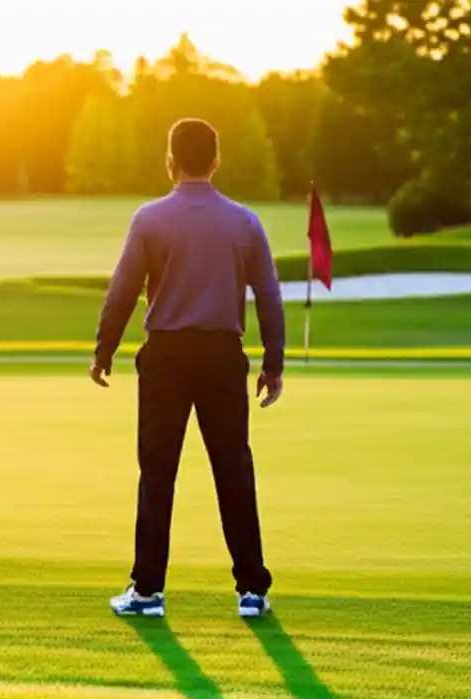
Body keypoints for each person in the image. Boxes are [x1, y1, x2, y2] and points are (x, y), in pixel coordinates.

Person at [90, 118, 285, 618]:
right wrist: (273, 363)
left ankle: (148, 590)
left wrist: (104, 349)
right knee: (233, 470)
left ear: (170, 160)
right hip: (223, 356)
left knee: (158, 473)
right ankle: (251, 591)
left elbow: (122, 291)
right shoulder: (244, 222)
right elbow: (268, 295)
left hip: (167, 358)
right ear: (216, 161)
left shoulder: (150, 219)